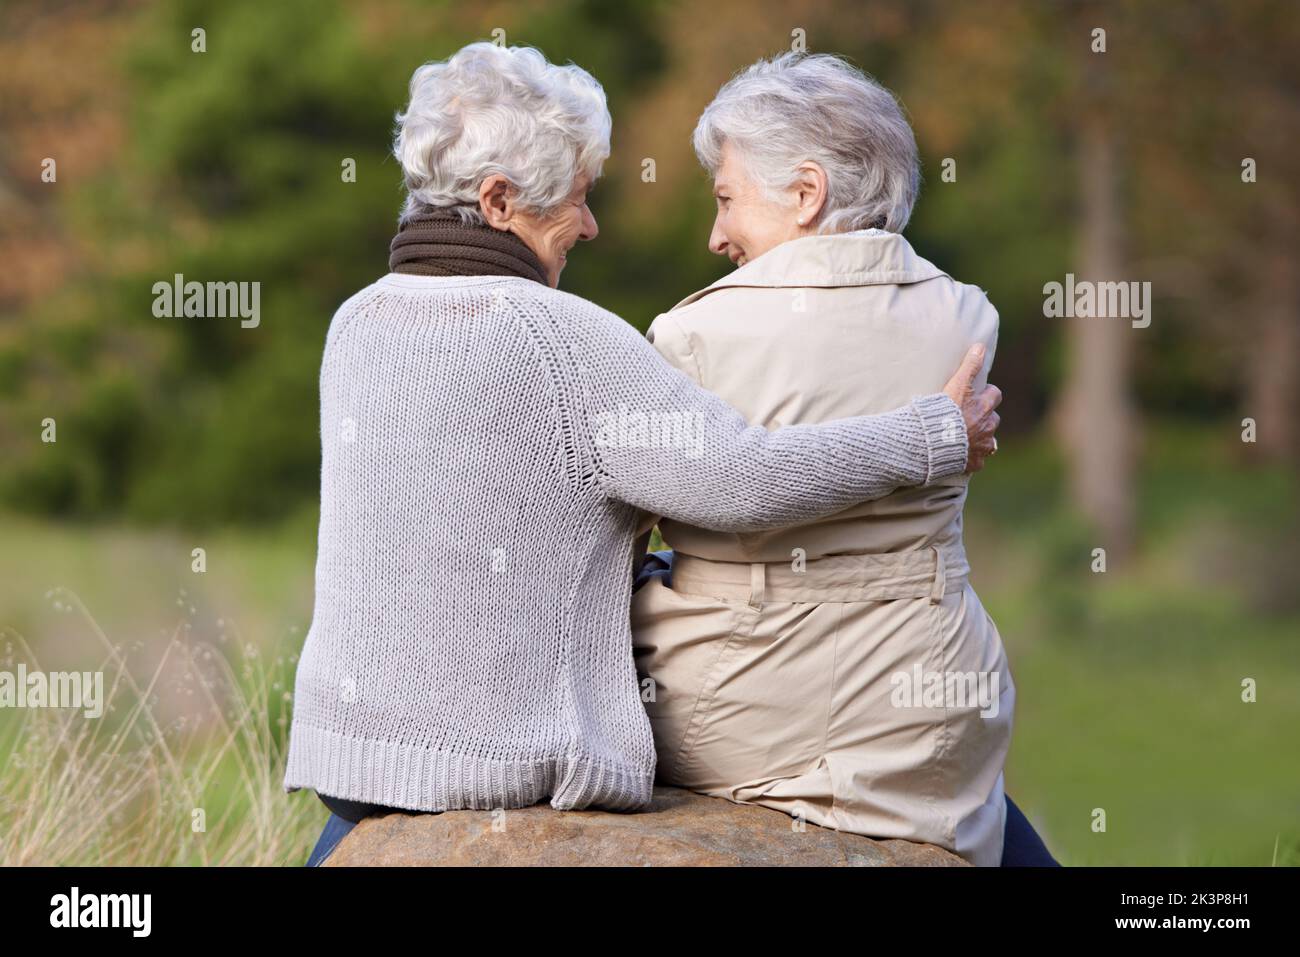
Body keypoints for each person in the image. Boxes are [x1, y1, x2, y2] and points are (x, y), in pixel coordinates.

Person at [284, 41, 1002, 866]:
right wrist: (933, 434)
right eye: (578, 199)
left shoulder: (355, 323)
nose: (590, 224)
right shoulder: (568, 342)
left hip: (351, 759)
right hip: (493, 764)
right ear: (498, 199)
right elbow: (744, 479)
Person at [629, 52, 1058, 866]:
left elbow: (621, 529)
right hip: (928, 713)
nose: (715, 235)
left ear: (806, 192)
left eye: (726, 199)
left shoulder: (694, 334)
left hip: (739, 710)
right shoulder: (967, 316)